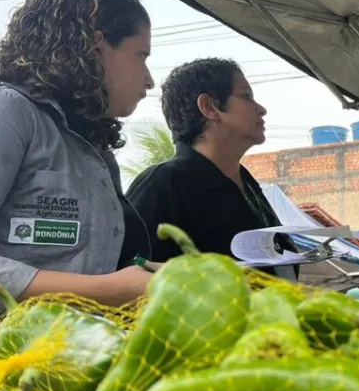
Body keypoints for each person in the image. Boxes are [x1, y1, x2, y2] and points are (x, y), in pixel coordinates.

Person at [0, 0, 155, 321]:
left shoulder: (94, 150)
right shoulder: (2, 110)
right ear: (96, 46)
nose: (149, 80)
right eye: (141, 55)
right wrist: (109, 291)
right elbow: (102, 288)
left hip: (70, 359)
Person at [127, 58, 296, 278]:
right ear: (209, 107)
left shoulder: (249, 186)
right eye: (246, 96)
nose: (261, 109)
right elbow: (137, 276)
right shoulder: (163, 186)